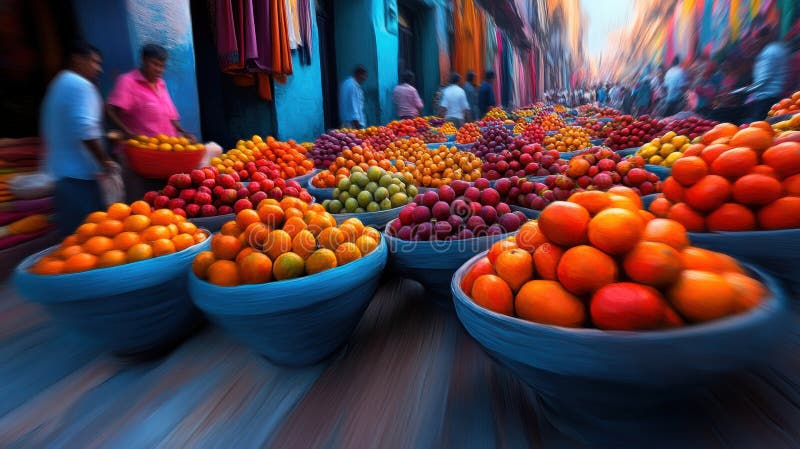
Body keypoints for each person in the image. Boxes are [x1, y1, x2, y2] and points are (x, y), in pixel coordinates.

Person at [41, 41, 113, 236]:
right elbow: (85, 128)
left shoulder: (58, 83)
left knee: (73, 240)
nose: (98, 69)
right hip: (80, 178)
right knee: (90, 239)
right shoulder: (81, 86)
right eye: (94, 62)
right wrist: (104, 161)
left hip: (61, 175)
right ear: (77, 60)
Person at [107, 44, 195, 141]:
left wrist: (183, 132)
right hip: (142, 148)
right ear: (143, 60)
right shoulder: (127, 81)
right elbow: (110, 110)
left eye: (162, 66)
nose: (159, 70)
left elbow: (171, 117)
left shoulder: (161, 84)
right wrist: (127, 132)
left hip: (167, 146)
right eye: (155, 64)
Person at [744, 28, 790, 121]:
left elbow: (763, 79)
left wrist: (747, 90)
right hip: (775, 96)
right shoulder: (779, 48)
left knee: (760, 127)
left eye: (759, 38)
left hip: (766, 98)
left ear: (766, 37)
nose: (757, 42)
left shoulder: (768, 52)